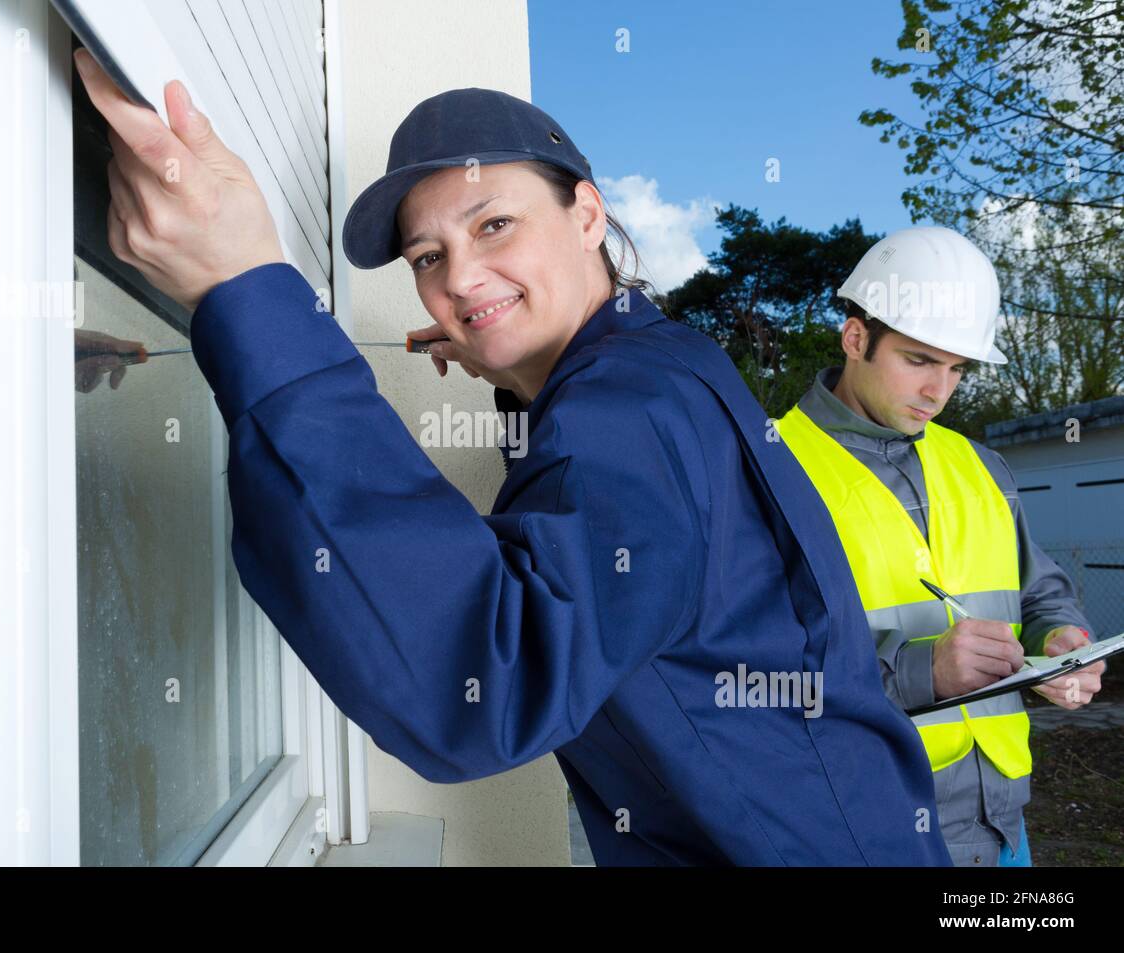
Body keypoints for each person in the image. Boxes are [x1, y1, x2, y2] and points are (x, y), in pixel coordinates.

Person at [73, 48, 952, 865]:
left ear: (587, 214)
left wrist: (244, 293)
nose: (458, 278)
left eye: (494, 225)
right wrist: (527, 371)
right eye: (430, 256)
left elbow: (482, 674)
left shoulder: (626, 410)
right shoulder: (661, 361)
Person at [775, 226, 1105, 867]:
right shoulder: (771, 467)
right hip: (866, 829)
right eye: (920, 360)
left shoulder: (980, 464)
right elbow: (755, 666)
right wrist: (922, 670)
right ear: (856, 339)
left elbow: (1038, 591)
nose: (939, 391)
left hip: (1004, 828)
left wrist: (1060, 641)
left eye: (957, 368)